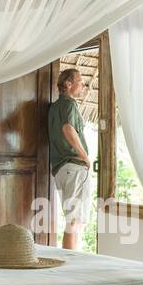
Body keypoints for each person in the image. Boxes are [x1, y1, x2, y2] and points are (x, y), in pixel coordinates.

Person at [48, 68, 91, 250]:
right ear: (68, 84)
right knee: (75, 222)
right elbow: (68, 129)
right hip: (74, 167)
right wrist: (85, 156)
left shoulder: (54, 108)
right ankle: (72, 263)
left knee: (72, 220)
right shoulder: (69, 105)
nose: (83, 85)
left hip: (60, 170)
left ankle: (71, 259)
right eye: (80, 81)